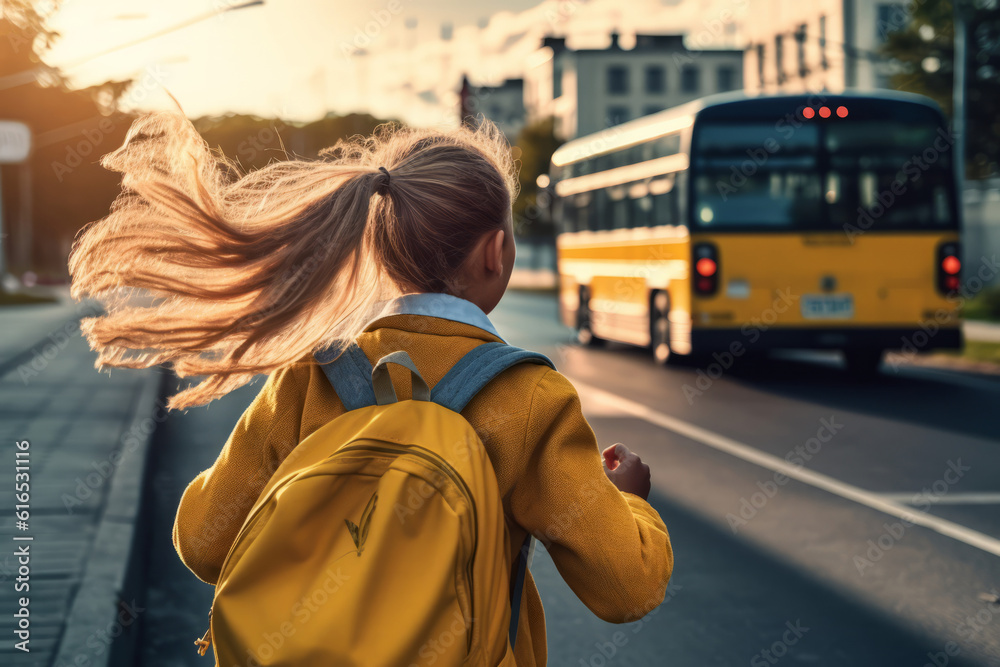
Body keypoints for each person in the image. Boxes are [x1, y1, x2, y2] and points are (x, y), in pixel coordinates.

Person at [68, 111, 673, 666]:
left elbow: (202, 541)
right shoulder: (532, 398)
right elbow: (626, 586)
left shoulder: (310, 373)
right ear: (496, 251)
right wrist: (630, 500)